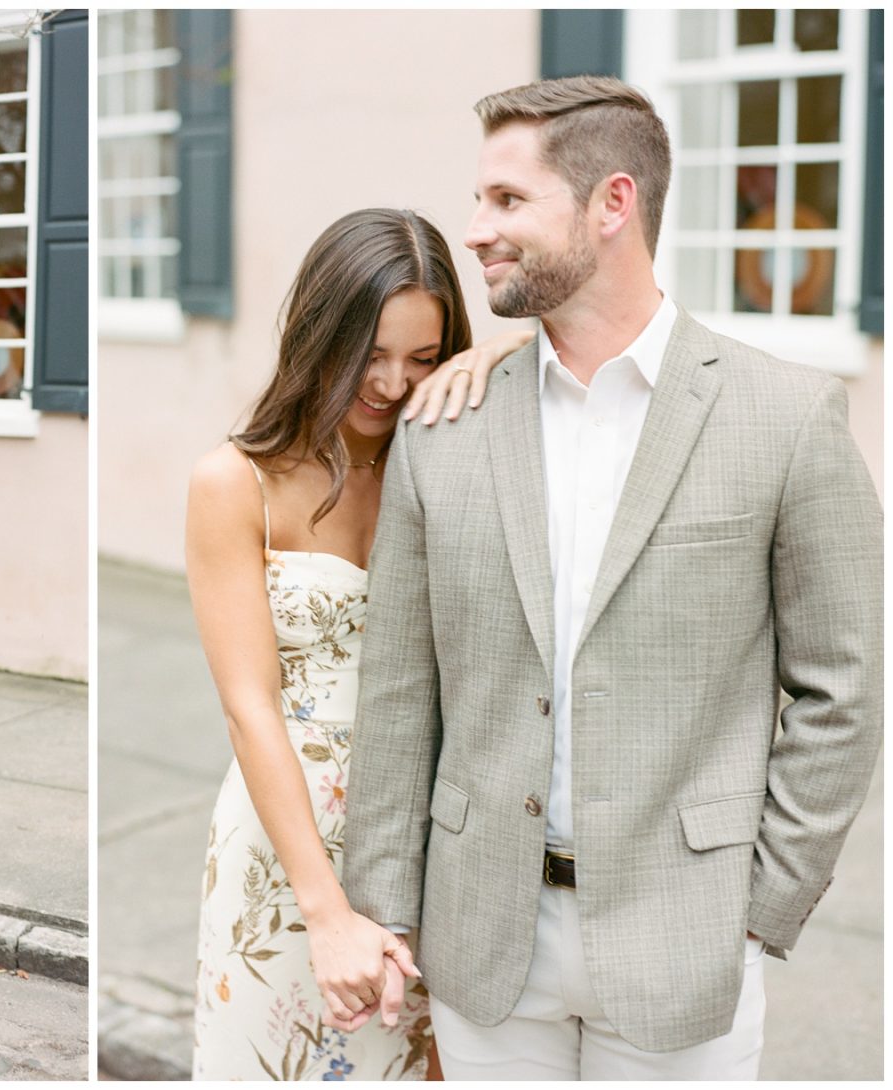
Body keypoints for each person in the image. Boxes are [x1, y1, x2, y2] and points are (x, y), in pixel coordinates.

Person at [341, 76, 882, 1079]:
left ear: (612, 204)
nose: (473, 230)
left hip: (687, 944)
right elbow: (399, 686)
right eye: (478, 201)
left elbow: (840, 689)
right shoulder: (444, 425)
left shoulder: (786, 418)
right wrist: (381, 909)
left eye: (507, 200)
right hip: (482, 944)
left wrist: (761, 905)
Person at [186, 208, 534, 1080]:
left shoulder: (452, 451)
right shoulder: (236, 482)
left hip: (433, 837)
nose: (390, 383)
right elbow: (248, 708)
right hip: (290, 846)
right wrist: (326, 909)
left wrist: (507, 351)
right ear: (320, 336)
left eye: (423, 358)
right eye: (369, 356)